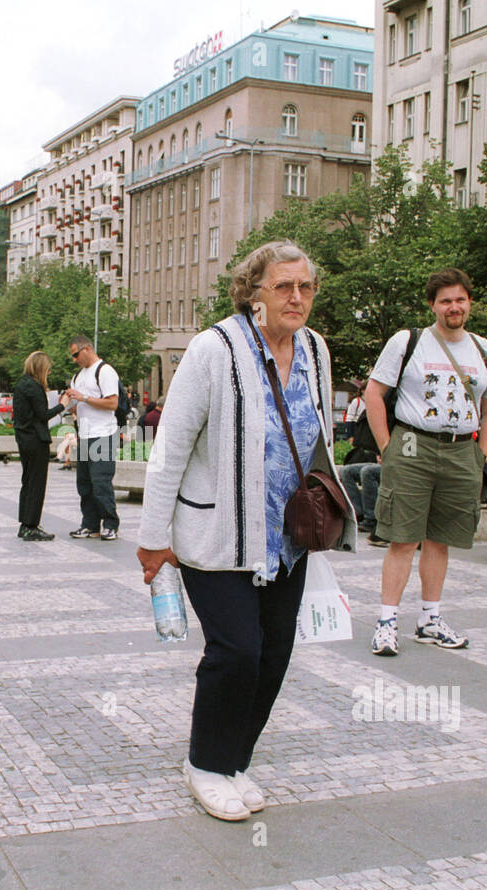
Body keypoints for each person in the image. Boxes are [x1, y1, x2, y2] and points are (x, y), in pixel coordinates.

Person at [137, 240, 356, 823]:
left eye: (306, 287)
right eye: (283, 286)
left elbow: (317, 440)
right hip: (216, 536)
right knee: (236, 652)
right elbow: (171, 446)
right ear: (252, 293)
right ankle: (204, 765)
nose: (297, 297)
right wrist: (155, 537)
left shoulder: (315, 350)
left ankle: (235, 760)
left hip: (286, 538)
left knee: (274, 654)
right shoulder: (214, 348)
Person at [363, 268, 487, 657]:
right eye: (445, 300)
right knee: (402, 537)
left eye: (460, 299)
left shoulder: (485, 351)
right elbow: (373, 393)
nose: (453, 307)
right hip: (413, 445)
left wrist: (479, 455)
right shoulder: (408, 342)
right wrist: (387, 445)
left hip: (463, 448)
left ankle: (430, 618)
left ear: (470, 303)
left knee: (439, 538)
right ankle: (386, 621)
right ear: (433, 305)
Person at [66, 334, 121, 540]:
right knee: (84, 483)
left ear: (87, 349)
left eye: (76, 354)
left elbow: (112, 404)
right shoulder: (78, 376)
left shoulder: (105, 371)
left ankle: (110, 523)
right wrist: (71, 404)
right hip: (85, 434)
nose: (74, 359)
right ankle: (89, 523)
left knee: (101, 482)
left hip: (102, 434)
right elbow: (79, 405)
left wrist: (84, 398)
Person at [13, 351, 71, 541]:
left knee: (28, 482)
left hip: (24, 439)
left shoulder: (22, 384)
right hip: (36, 440)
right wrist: (63, 405)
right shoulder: (34, 387)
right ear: (41, 368)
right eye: (47, 369)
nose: (49, 372)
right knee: (37, 485)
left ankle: (25, 524)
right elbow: (43, 415)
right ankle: (31, 526)